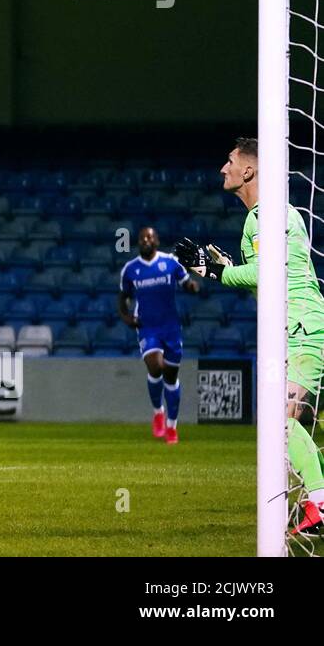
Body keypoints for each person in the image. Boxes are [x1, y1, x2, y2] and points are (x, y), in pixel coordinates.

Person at [175, 137, 324, 534]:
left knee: (282, 420)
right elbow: (268, 283)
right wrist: (228, 269)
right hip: (307, 323)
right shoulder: (275, 214)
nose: (223, 169)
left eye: (229, 162)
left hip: (301, 329)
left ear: (249, 170)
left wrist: (214, 271)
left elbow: (266, 272)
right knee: (302, 423)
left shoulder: (262, 216)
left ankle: (319, 502)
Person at [117, 226, 198, 443]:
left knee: (170, 378)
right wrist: (126, 318)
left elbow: (186, 282)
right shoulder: (130, 269)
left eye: (150, 237)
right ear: (138, 242)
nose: (146, 240)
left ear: (157, 241)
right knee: (155, 366)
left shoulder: (170, 263)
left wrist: (192, 286)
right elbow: (123, 298)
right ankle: (157, 412)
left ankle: (172, 425)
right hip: (147, 326)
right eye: (143, 237)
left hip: (171, 327)